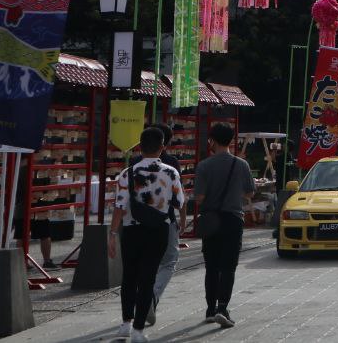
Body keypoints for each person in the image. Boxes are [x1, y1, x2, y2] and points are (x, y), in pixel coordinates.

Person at [109, 128, 185, 342]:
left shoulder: (127, 173)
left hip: (131, 230)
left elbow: (119, 205)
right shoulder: (170, 172)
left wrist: (113, 234)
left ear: (139, 146)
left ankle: (125, 323)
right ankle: (138, 331)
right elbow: (179, 202)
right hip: (158, 230)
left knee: (129, 277)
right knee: (148, 278)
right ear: (162, 147)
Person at [192, 122, 256, 328]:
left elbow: (199, 197)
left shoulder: (204, 166)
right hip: (233, 219)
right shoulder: (242, 165)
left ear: (212, 140)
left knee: (211, 266)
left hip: (211, 220)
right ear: (231, 141)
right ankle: (223, 307)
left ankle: (210, 309)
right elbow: (249, 192)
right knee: (228, 266)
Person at [131, 124, 182, 327]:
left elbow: (124, 198)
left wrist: (115, 229)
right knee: (169, 261)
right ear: (164, 144)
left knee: (142, 263)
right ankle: (151, 296)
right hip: (165, 220)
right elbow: (178, 198)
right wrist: (182, 218)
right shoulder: (172, 165)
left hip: (136, 223)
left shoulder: (134, 165)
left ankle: (140, 302)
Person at [10, 158, 57, 269]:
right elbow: (48, 188)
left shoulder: (19, 170)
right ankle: (46, 260)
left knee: (22, 236)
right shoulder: (41, 170)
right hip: (38, 206)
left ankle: (23, 262)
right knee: (44, 235)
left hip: (23, 206)